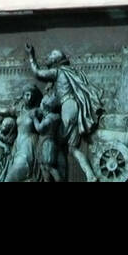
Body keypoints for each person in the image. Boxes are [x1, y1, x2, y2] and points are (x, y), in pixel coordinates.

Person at [26, 45, 102, 181]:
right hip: (74, 107)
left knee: (53, 137)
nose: (47, 58)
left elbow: (37, 72)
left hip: (67, 107)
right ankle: (90, 174)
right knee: (72, 148)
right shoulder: (69, 71)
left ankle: (54, 173)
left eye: (50, 57)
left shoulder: (58, 72)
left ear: (55, 61)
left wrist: (31, 56)